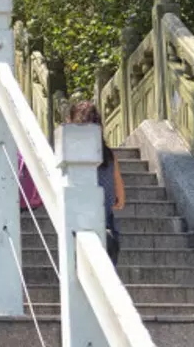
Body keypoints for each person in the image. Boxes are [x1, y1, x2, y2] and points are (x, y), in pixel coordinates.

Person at [67, 101, 126, 265]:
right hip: (105, 226)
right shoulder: (109, 155)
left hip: (78, 227)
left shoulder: (70, 156)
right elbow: (120, 201)